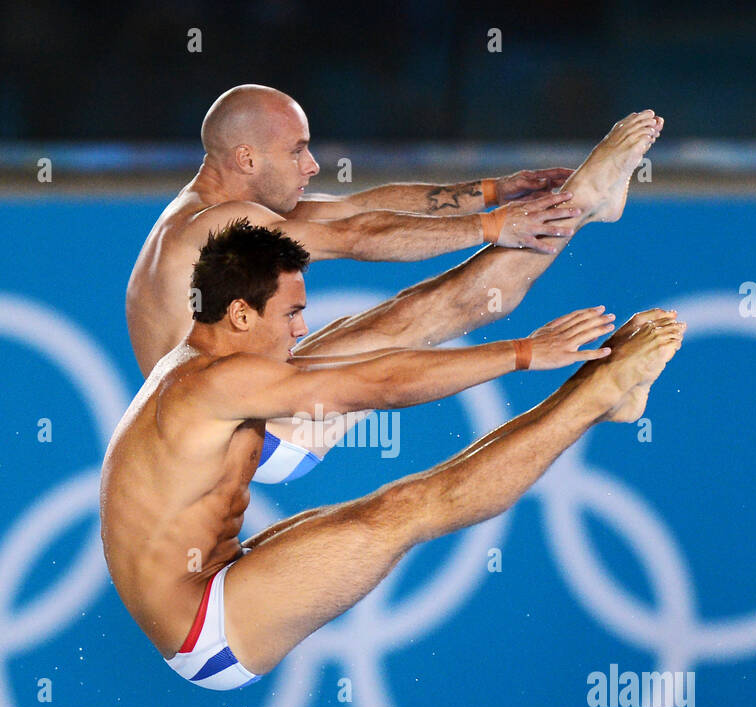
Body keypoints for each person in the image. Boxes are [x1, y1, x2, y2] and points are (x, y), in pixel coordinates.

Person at [101, 221, 684, 689]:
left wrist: (492, 219)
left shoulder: (205, 365)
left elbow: (371, 342)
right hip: (207, 625)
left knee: (390, 367)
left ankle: (600, 393)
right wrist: (524, 353)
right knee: (407, 509)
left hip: (221, 571)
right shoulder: (209, 385)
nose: (302, 329)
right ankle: (599, 395)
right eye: (291, 314)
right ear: (240, 315)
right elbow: (379, 385)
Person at [124, 84, 663, 482]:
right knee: (439, 309)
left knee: (410, 314)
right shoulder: (219, 226)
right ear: (247, 157)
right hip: (254, 434)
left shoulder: (204, 212)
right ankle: (586, 202)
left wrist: (496, 190)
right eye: (298, 149)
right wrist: (494, 226)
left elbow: (361, 205)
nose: (312, 165)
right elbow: (360, 235)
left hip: (242, 414)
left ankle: (585, 213)